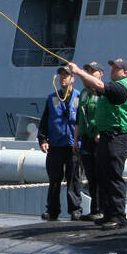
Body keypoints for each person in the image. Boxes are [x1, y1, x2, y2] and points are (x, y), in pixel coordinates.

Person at [69, 58, 127, 230]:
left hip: (118, 137)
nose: (113, 70)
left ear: (125, 72)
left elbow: (99, 86)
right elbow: (93, 87)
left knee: (114, 177)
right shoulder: (112, 88)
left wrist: (78, 71)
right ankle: (108, 213)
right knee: (104, 176)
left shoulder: (121, 87)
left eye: (117, 68)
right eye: (112, 67)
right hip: (108, 137)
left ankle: (118, 217)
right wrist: (84, 76)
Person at [38, 66, 83, 221]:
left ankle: (75, 209)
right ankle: (52, 210)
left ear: (73, 78)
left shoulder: (80, 97)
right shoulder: (52, 98)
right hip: (56, 144)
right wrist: (43, 139)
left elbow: (83, 121)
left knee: (73, 179)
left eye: (66, 75)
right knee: (54, 179)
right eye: (61, 75)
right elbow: (45, 120)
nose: (63, 78)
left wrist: (81, 142)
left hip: (73, 145)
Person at [75, 62, 106, 220]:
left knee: (101, 176)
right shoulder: (84, 94)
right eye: (87, 71)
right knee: (91, 176)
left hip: (98, 139)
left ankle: (102, 209)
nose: (89, 73)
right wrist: (76, 140)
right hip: (86, 139)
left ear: (100, 74)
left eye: (92, 71)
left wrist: (100, 133)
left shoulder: (102, 93)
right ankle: (95, 209)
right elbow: (79, 119)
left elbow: (107, 115)